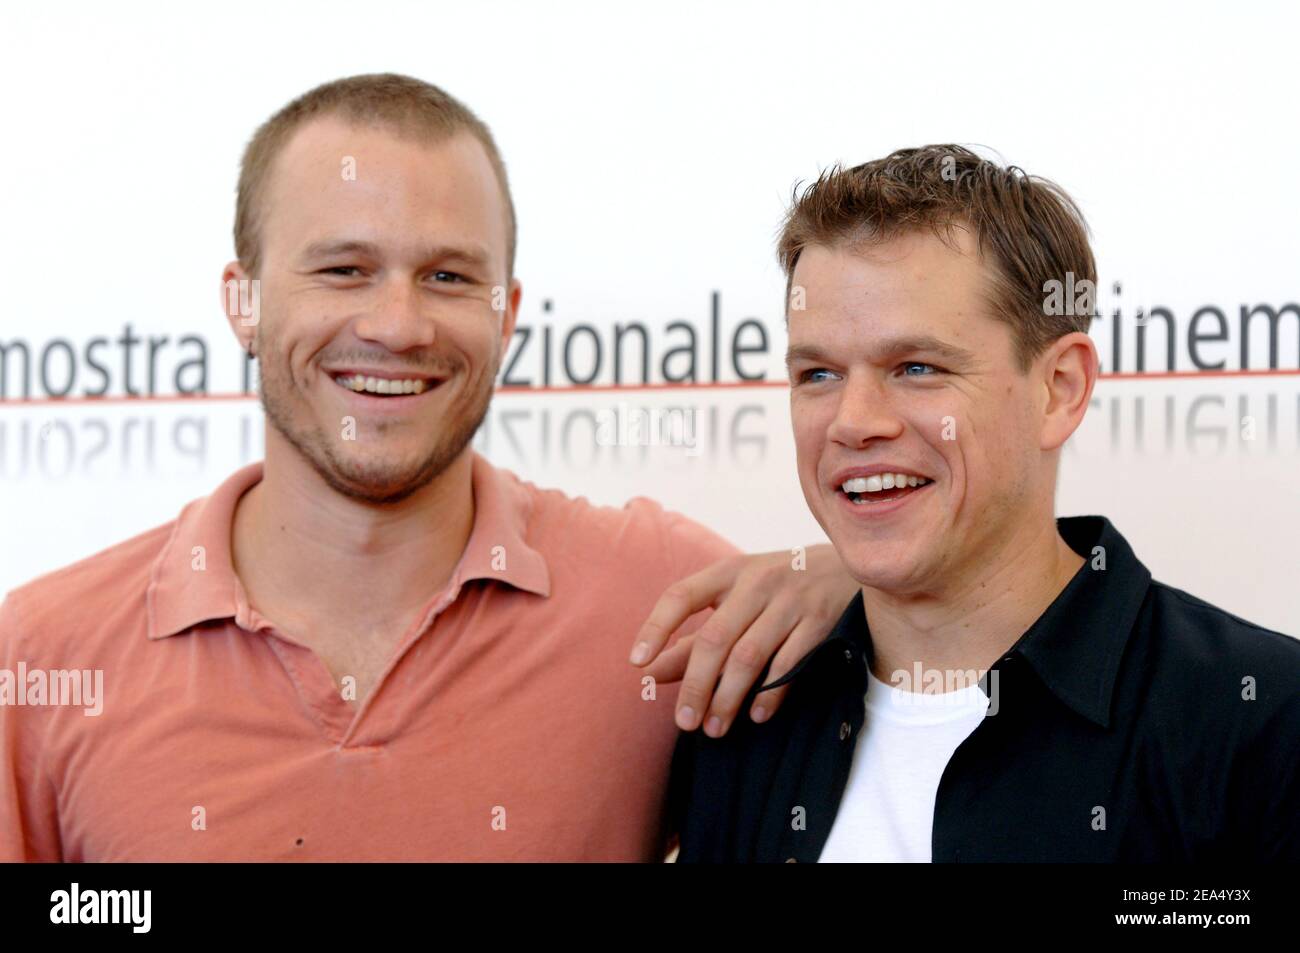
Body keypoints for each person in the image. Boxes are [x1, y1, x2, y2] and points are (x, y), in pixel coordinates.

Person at [0, 73, 856, 862]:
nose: (398, 324)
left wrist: (858, 588)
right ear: (244, 301)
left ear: (508, 312)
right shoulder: (45, 652)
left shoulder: (664, 599)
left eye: (448, 276)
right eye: (345, 270)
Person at [670, 145, 1300, 862]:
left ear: (1059, 387)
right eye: (817, 372)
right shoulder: (742, 714)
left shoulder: (1263, 727)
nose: (853, 420)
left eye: (916, 368)